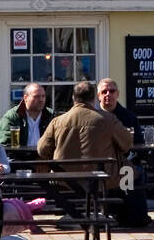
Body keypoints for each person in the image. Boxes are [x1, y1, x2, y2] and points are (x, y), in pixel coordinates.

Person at [38, 80, 135, 223]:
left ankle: (75, 213)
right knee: (132, 172)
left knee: (128, 172)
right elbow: (127, 144)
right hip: (102, 177)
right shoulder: (108, 119)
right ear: (94, 98)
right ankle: (128, 215)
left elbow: (42, 150)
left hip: (65, 178)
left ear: (73, 98)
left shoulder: (58, 121)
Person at [96, 78, 149, 228]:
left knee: (130, 172)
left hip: (123, 163)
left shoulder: (129, 117)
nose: (108, 95)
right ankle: (105, 213)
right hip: (99, 165)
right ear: (98, 95)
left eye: (112, 91)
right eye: (104, 92)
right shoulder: (93, 116)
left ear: (117, 94)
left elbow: (139, 144)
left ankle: (133, 217)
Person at [0, 83, 53, 149]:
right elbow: (6, 145)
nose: (41, 100)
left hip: (46, 158)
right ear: (25, 98)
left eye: (43, 96)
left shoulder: (51, 116)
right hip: (21, 158)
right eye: (36, 96)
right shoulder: (12, 117)